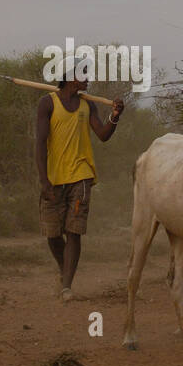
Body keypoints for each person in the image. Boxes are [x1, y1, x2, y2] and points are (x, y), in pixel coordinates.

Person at [35, 74, 124, 301]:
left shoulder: (88, 104)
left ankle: (66, 286)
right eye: (82, 74)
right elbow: (40, 144)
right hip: (54, 178)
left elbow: (103, 135)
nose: (88, 79)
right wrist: (44, 181)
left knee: (74, 231)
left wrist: (115, 117)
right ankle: (64, 268)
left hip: (81, 176)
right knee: (53, 234)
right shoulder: (47, 103)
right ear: (67, 77)